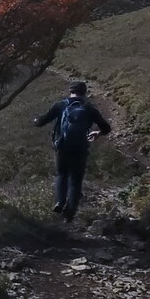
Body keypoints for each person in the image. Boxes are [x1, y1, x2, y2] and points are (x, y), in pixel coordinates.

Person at [33, 81, 111, 222]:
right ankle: (69, 215)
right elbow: (106, 128)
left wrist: (35, 120)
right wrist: (97, 133)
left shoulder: (60, 105)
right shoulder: (89, 109)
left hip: (62, 147)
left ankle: (60, 202)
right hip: (80, 149)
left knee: (62, 174)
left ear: (70, 91)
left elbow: (41, 121)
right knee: (75, 181)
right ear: (84, 93)